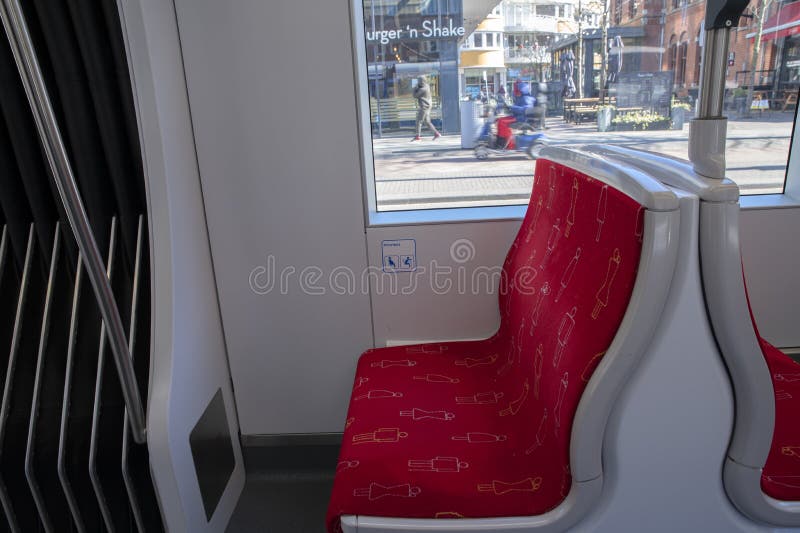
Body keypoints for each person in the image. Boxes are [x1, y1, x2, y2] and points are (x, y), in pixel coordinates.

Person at [412, 76, 441, 142]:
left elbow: (415, 95)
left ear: (421, 81)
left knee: (419, 121)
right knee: (427, 122)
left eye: (419, 81)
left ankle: (417, 136)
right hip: (427, 106)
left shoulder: (423, 89)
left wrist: (414, 89)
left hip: (424, 107)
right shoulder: (427, 86)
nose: (418, 82)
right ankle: (436, 134)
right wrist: (417, 87)